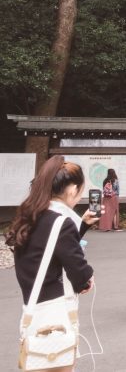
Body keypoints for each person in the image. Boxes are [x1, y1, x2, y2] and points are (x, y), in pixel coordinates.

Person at [10, 157, 99, 372]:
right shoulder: (62, 222)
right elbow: (79, 273)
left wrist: (82, 227)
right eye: (80, 190)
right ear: (72, 189)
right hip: (55, 313)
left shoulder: (31, 216)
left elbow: (48, 251)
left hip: (32, 308)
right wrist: (87, 278)